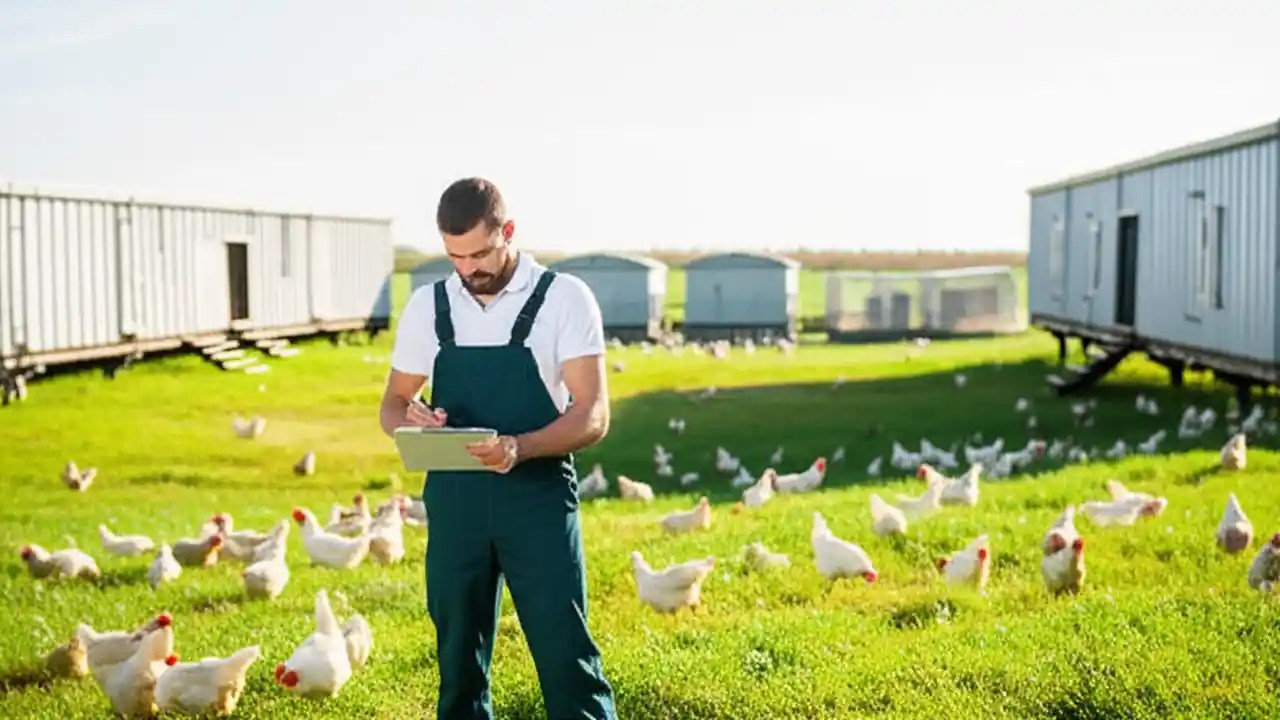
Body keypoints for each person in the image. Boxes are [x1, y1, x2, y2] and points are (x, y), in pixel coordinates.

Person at [379, 177, 618, 719]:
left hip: (536, 501)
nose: (468, 270)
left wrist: (519, 446)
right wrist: (414, 422)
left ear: (508, 231)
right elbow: (392, 405)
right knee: (458, 663)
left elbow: (593, 414)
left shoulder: (563, 299)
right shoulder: (428, 306)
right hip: (455, 503)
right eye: (454, 257)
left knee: (566, 657)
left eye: (480, 253)